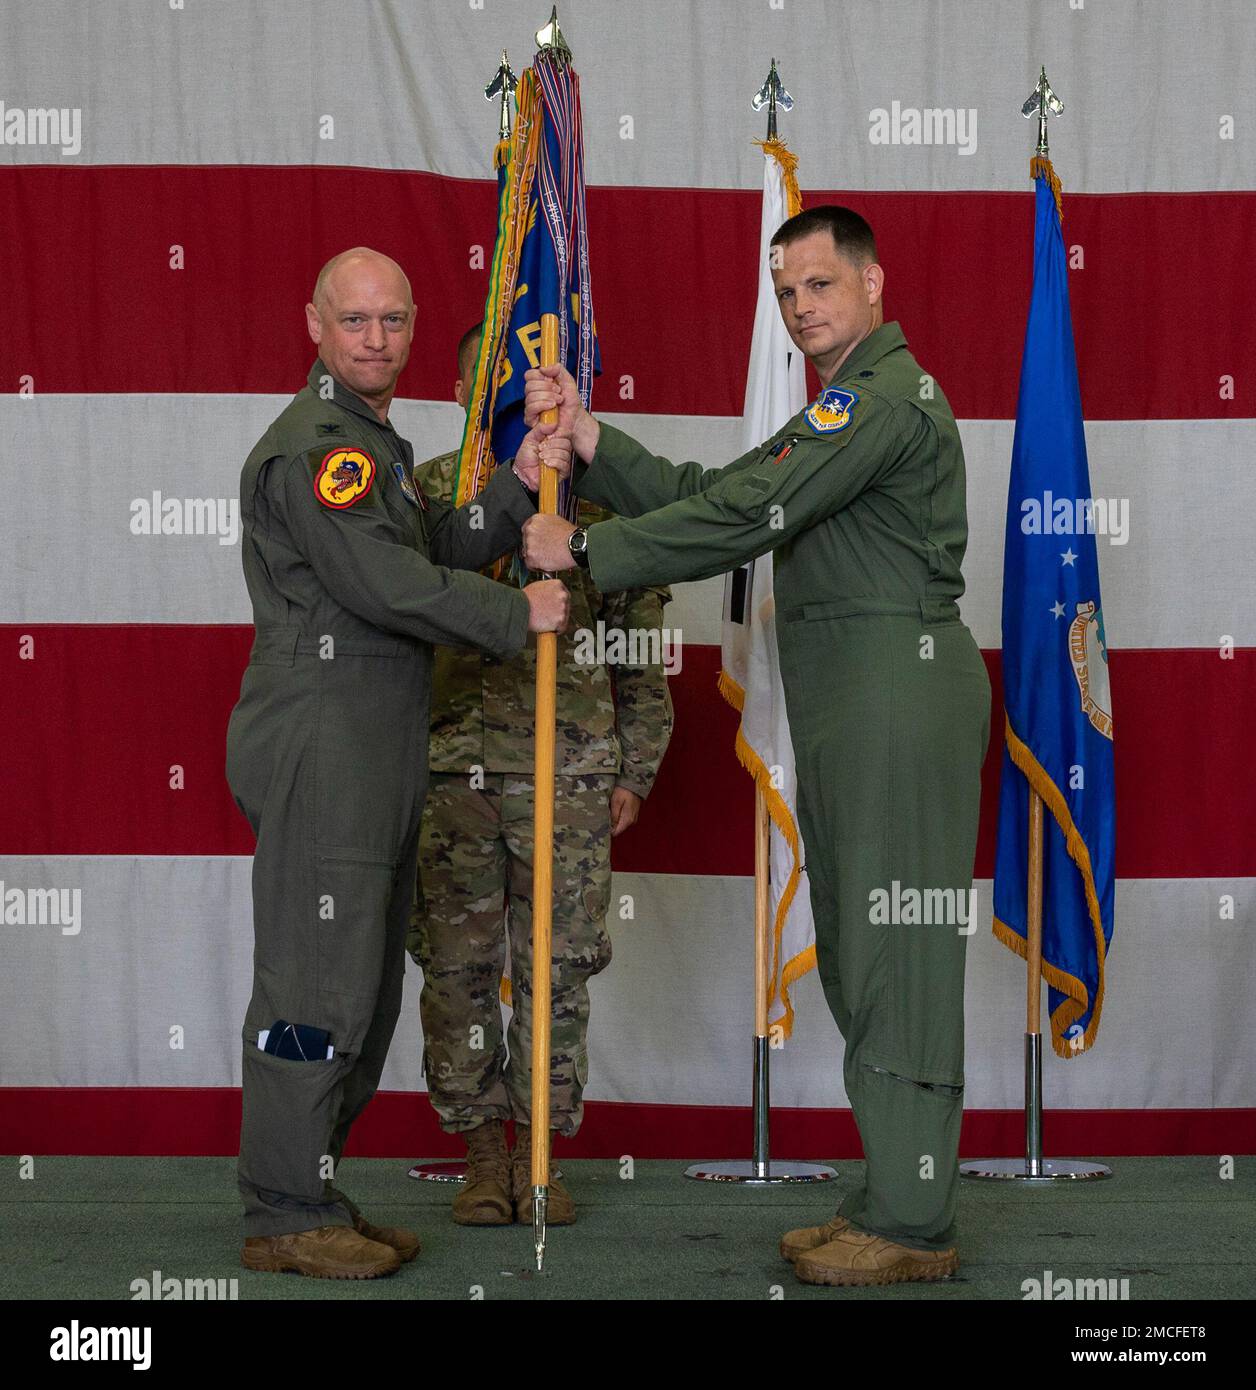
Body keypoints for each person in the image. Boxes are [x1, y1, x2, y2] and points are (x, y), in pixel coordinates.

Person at [521, 206, 991, 1288]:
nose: (799, 308)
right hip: (848, 696)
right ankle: (889, 1193)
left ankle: (914, 1222)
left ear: (873, 286)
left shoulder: (883, 399)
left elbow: (746, 514)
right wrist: (599, 444)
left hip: (892, 692)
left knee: (896, 958)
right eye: (785, 292)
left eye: (819, 285)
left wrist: (585, 541)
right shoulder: (841, 407)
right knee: (858, 946)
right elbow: (726, 499)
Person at [225, 247, 571, 1280]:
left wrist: (510, 494)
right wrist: (519, 610)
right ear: (314, 324)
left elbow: (427, 551)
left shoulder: (371, 441)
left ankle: (312, 1191)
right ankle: (283, 1207)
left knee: (363, 988)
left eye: (392, 321)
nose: (376, 339)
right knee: (315, 987)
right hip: (324, 737)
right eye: (355, 321)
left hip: (369, 739)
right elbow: (384, 583)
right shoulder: (319, 448)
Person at [408, 323, 674, 1227]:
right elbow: (391, 621)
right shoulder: (428, 491)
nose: (519, 403)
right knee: (457, 971)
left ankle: (541, 1151)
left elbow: (640, 649)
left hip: (570, 773)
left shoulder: (601, 506)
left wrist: (636, 761)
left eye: (532, 387)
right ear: (457, 390)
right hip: (452, 770)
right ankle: (482, 1150)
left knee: (557, 969)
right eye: (489, 386)